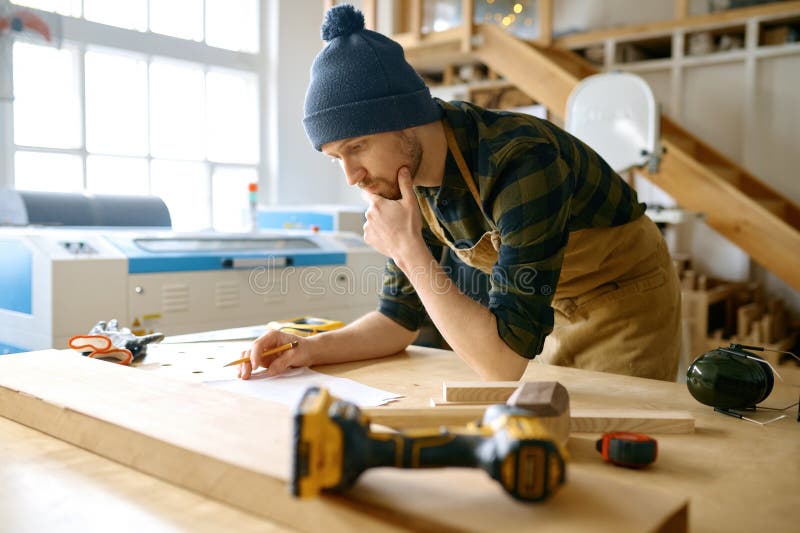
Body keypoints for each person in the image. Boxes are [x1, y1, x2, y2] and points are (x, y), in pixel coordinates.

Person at [238, 4, 681, 382]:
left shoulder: (520, 161)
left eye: (357, 148)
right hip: (547, 308)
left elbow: (502, 364)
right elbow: (396, 321)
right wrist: (305, 348)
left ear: (407, 118)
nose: (352, 176)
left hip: (623, 300)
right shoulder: (403, 179)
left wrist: (412, 253)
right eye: (337, 158)